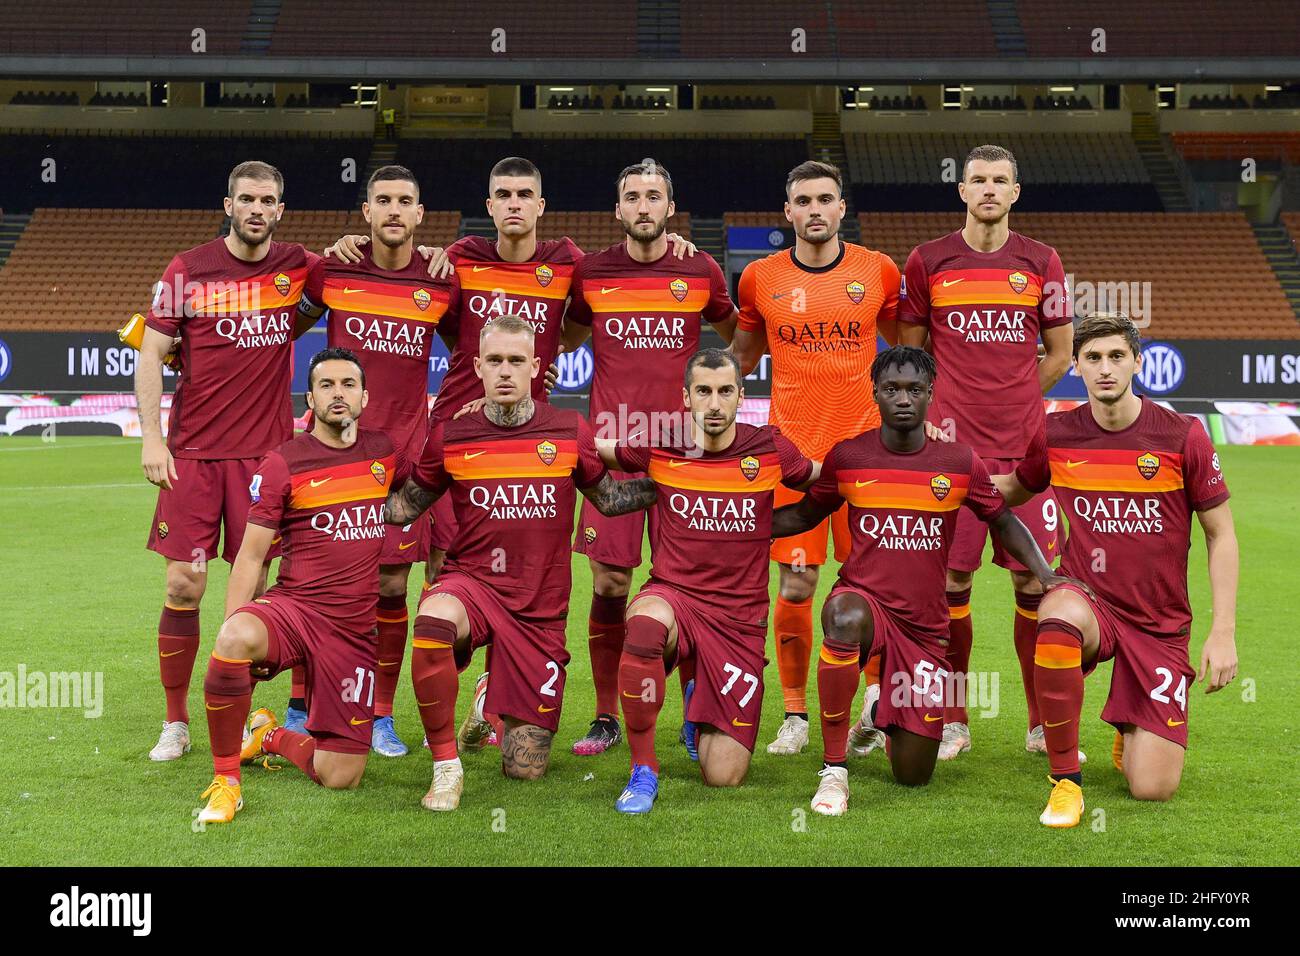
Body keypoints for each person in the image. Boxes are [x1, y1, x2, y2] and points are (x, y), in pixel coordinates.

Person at [770, 346, 1073, 815]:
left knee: (914, 775)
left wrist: (1044, 571)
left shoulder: (958, 461)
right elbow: (806, 512)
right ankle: (833, 771)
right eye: (892, 389)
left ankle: (876, 713)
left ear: (932, 394)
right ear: (875, 393)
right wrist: (739, 523)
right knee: (842, 616)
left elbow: (1003, 519)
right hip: (866, 603)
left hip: (926, 628)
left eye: (914, 389)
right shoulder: (849, 457)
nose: (903, 399)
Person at [382, 316, 657, 811]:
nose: (504, 371)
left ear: (536, 366)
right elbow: (405, 507)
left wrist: (681, 478)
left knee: (524, 769)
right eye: (494, 361)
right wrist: (344, 485)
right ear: (477, 367)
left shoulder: (569, 431)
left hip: (539, 612)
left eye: (515, 360)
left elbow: (612, 499)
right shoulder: (453, 435)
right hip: (474, 587)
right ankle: (446, 767)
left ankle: (491, 695)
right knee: (432, 619)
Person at [990, 313, 1238, 827]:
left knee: (1153, 788)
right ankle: (1065, 783)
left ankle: (1130, 722)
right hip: (1088, 601)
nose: (1106, 368)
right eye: (1094, 358)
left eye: (1117, 356)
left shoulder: (1182, 436)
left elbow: (1221, 534)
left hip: (1159, 623)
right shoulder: (1055, 433)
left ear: (1137, 362)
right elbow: (1013, 489)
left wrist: (1223, 631)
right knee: (1054, 614)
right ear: (1076, 366)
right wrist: (941, 473)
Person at [886, 143, 1075, 763]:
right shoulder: (928, 261)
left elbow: (1060, 353)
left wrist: (1018, 397)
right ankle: (957, 717)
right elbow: (912, 360)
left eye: (1000, 181)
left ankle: (1040, 720)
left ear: (1015, 192)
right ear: (961, 191)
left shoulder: (1042, 261)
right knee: (951, 582)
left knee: (1034, 582)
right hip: (952, 455)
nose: (988, 190)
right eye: (978, 181)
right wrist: (938, 419)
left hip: (1026, 454)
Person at [136, 160, 318, 762]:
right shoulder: (187, 270)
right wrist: (152, 440)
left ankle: (269, 710)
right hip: (192, 455)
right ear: (229, 204)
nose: (258, 209)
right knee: (184, 582)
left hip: (264, 460)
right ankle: (175, 720)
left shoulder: (296, 267)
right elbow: (151, 354)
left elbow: (344, 285)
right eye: (247, 199)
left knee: (262, 590)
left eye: (268, 200)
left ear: (280, 210)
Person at [560, 159, 737, 756]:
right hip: (611, 454)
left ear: (670, 207)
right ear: (618, 210)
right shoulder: (592, 273)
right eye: (632, 196)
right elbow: (563, 338)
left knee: (687, 585)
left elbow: (740, 337)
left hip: (683, 457)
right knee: (610, 581)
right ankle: (607, 716)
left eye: (653, 196)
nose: (643, 206)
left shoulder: (699, 268)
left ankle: (694, 711)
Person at [729, 160, 900, 756]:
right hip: (794, 457)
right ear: (788, 212)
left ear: (841, 207)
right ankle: (797, 715)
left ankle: (877, 704)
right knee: (798, 583)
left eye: (825, 199)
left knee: (873, 585)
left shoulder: (877, 271)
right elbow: (740, 359)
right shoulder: (759, 278)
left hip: (866, 457)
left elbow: (910, 353)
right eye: (803, 201)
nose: (815, 210)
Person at [603, 348, 816, 813]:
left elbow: (831, 480)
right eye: (704, 391)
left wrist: (916, 441)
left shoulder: (769, 447)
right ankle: (644, 769)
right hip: (675, 598)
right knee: (643, 625)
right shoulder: (661, 444)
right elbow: (588, 453)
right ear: (686, 397)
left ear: (742, 395)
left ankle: (700, 696)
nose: (714, 404)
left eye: (724, 392)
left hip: (739, 621)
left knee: (724, 776)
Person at [195, 348, 397, 824]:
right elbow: (250, 554)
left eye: (348, 384)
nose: (338, 394)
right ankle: (226, 782)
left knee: (341, 775)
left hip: (352, 633)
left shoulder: (384, 454)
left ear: (364, 397)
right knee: (234, 639)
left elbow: (423, 485)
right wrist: (233, 625)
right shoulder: (283, 462)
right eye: (326, 385)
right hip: (296, 610)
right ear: (311, 398)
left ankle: (268, 735)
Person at [293, 165, 455, 756]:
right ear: (366, 212)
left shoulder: (441, 281)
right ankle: (299, 701)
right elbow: (281, 326)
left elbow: (473, 357)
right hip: (332, 450)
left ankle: (380, 714)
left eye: (404, 201)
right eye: (381, 200)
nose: (392, 210)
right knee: (315, 579)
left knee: (390, 583)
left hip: (403, 457)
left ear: (419, 214)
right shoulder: (331, 268)